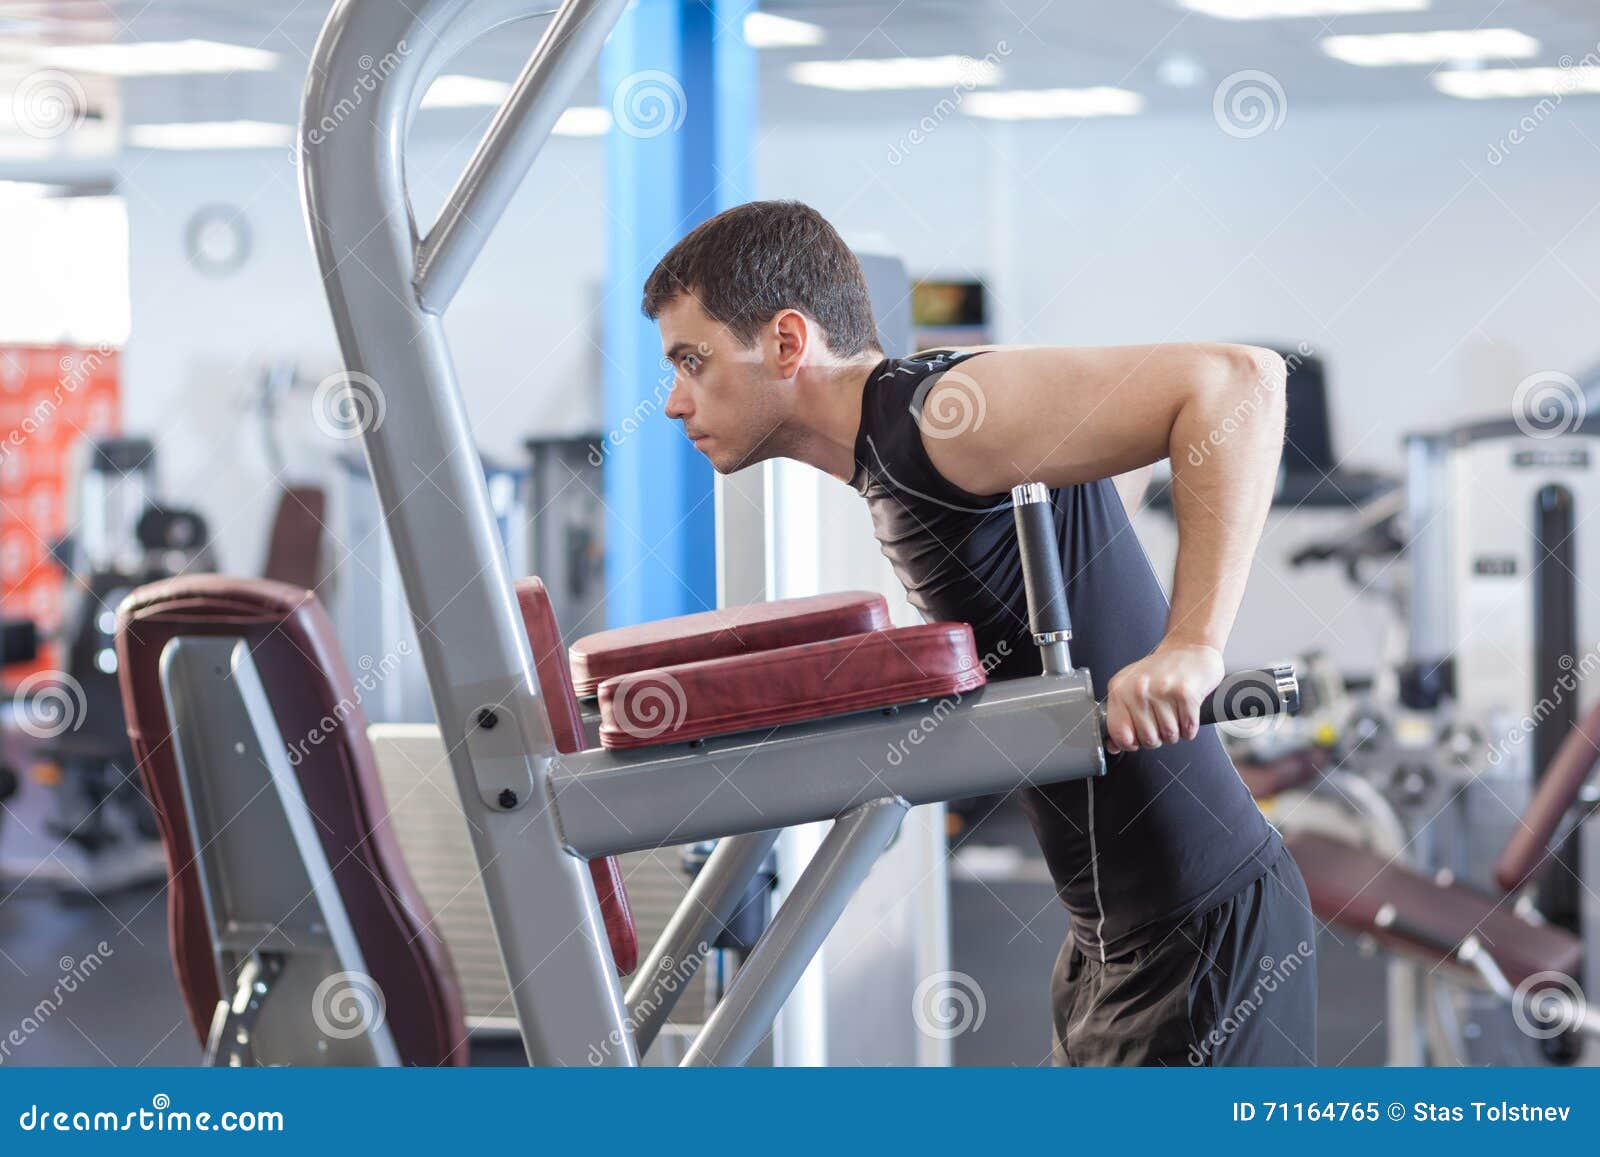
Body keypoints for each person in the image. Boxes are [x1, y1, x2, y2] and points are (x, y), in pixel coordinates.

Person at [641, 199, 1316, 1066]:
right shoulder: (893, 451)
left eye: (691, 361)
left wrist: (1192, 644)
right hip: (1113, 939)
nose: (672, 401)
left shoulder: (937, 412)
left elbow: (1240, 381)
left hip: (1199, 929)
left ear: (785, 342)